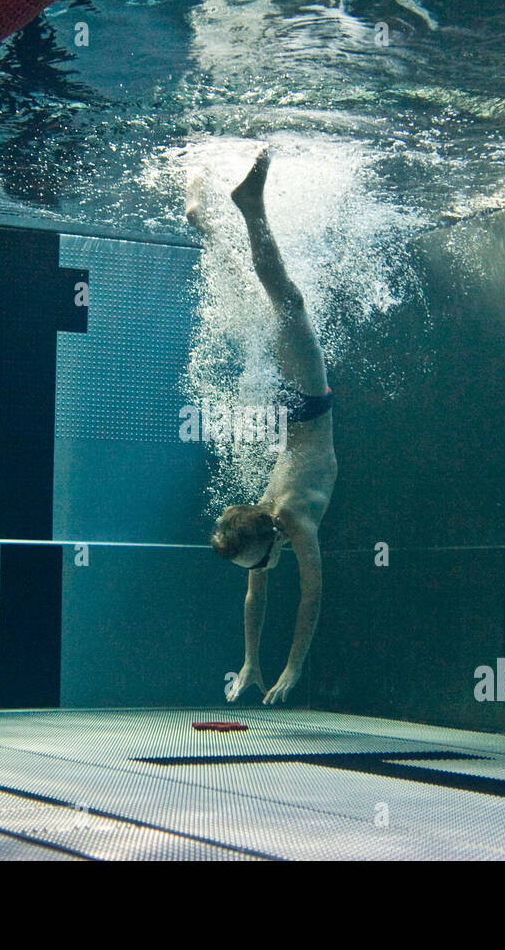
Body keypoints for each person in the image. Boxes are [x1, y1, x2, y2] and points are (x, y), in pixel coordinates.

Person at [186, 149, 338, 706]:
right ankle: (200, 216)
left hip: (306, 400)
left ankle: (250, 208)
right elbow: (258, 598)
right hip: (287, 403)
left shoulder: (292, 523)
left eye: (259, 563)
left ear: (269, 541)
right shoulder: (265, 519)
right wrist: (252, 661)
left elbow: (312, 599)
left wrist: (292, 668)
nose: (262, 573)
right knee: (252, 303)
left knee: (287, 302)